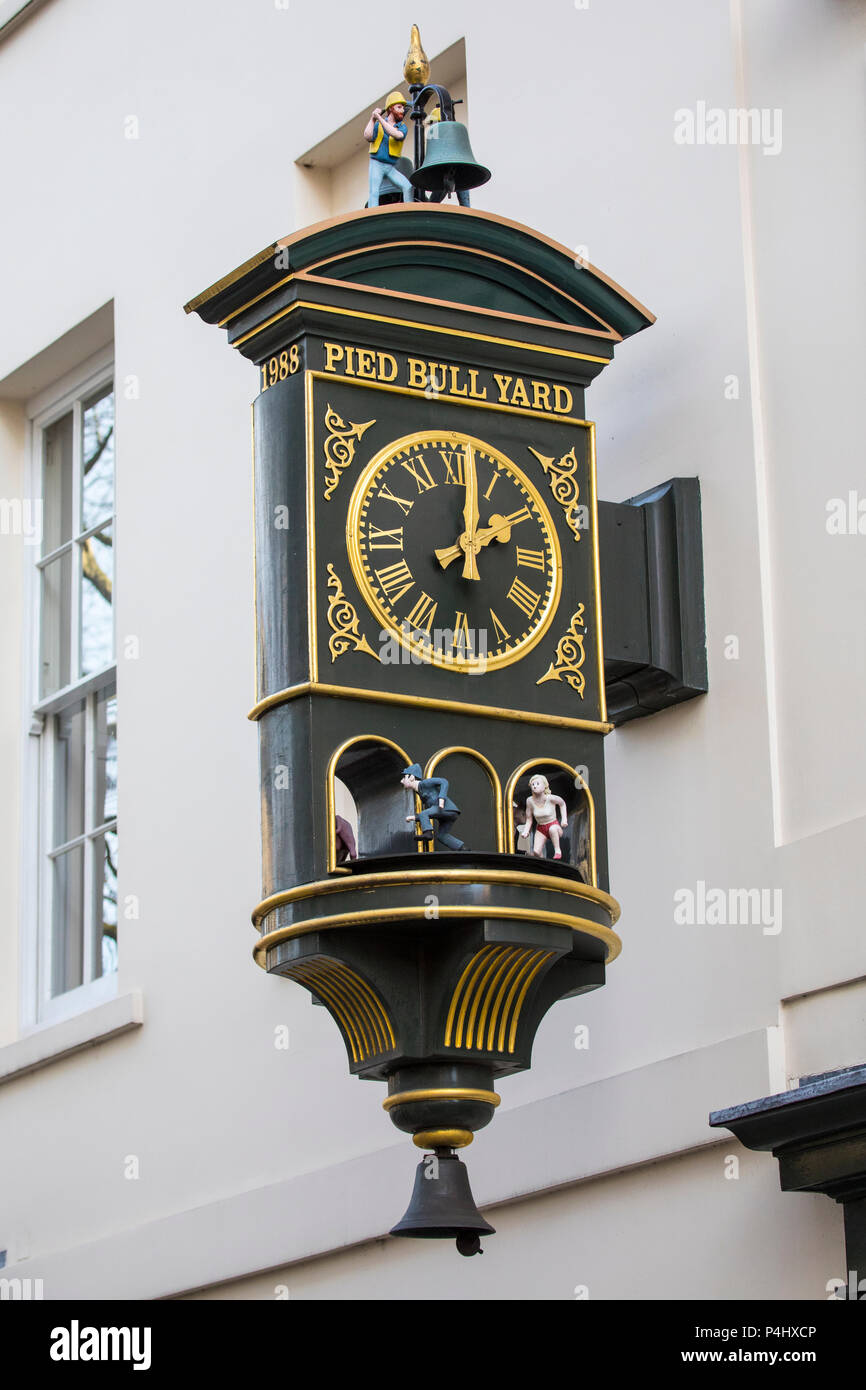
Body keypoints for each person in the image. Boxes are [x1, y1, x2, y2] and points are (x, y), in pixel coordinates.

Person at [364, 92, 413, 206]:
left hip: (389, 166)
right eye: (399, 107)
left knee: (407, 186)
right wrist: (372, 119)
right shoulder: (378, 125)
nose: (402, 110)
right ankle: (373, 218)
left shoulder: (401, 126)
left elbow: (397, 135)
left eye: (402, 107)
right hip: (376, 164)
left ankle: (409, 211)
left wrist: (379, 119)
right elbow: (368, 136)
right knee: (374, 193)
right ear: (391, 109)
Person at [401, 763, 464, 851]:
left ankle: (428, 834)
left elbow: (444, 781)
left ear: (411, 777)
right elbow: (428, 814)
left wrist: (441, 798)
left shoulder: (425, 783)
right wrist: (413, 818)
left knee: (424, 813)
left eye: (404, 777)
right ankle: (462, 849)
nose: (402, 781)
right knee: (442, 836)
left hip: (446, 809)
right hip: (446, 814)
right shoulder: (420, 792)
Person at [518, 774, 568, 861]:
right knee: (536, 852)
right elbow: (529, 818)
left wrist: (564, 819)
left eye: (537, 784)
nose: (535, 786)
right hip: (541, 828)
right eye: (533, 785)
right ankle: (543, 863)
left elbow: (562, 803)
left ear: (544, 785)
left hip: (553, 825)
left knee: (552, 829)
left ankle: (557, 850)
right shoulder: (529, 801)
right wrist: (526, 831)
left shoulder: (550, 798)